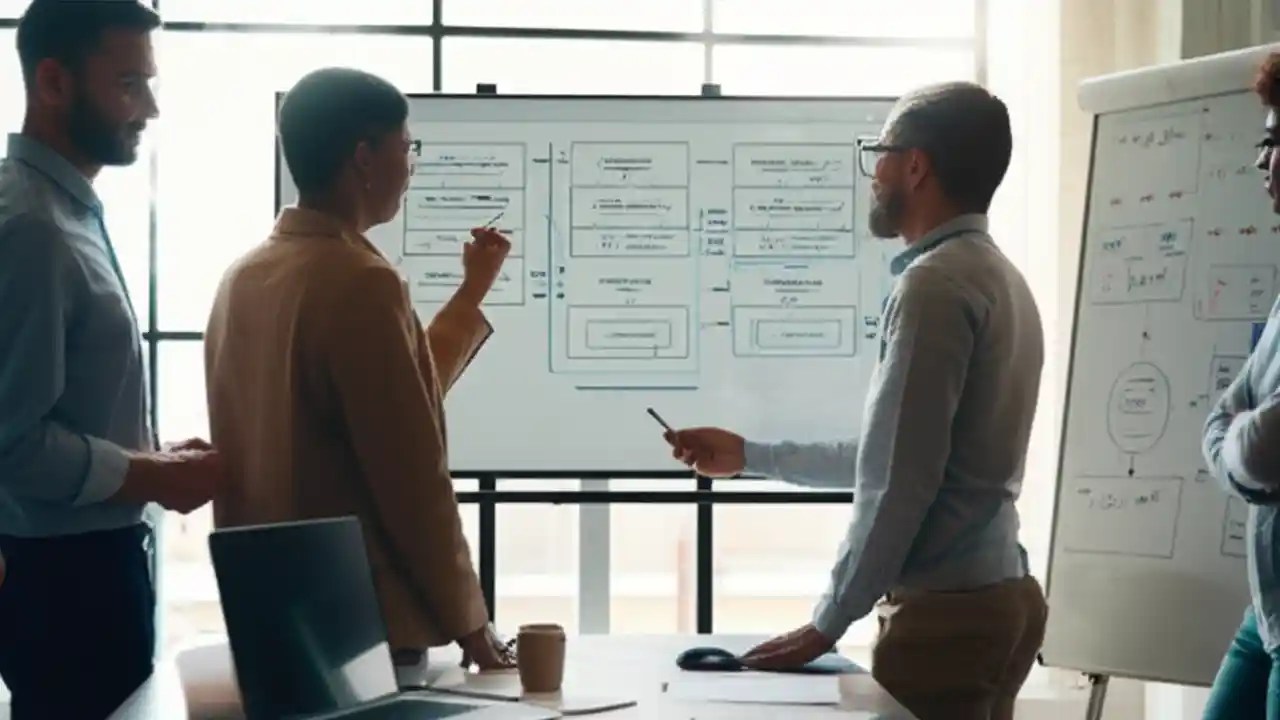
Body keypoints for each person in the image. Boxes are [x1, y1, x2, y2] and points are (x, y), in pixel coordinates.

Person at [666, 82, 1046, 720]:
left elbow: (898, 484)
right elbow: (898, 459)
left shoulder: (933, 287)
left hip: (945, 621)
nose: (874, 172)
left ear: (916, 165)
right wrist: (752, 456)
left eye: (882, 151)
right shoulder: (999, 275)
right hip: (1001, 596)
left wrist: (828, 622)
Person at [204, 67, 515, 686]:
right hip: (364, 634)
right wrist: (472, 626)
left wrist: (471, 290)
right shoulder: (361, 280)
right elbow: (410, 473)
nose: (411, 166)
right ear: (364, 158)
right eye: (407, 148)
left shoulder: (244, 276)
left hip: (278, 623)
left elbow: (398, 398)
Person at [0, 1, 221, 717]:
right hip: (65, 587)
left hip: (85, 576)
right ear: (53, 83)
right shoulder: (31, 226)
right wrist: (150, 473)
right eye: (129, 84)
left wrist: (148, 454)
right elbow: (12, 444)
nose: (150, 107)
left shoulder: (67, 210)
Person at [1201, 52, 1280, 719]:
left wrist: (1238, 433)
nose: (1261, 162)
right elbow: (1231, 419)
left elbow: (1257, 445)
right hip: (1268, 605)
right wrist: (1240, 432)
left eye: (1275, 142)